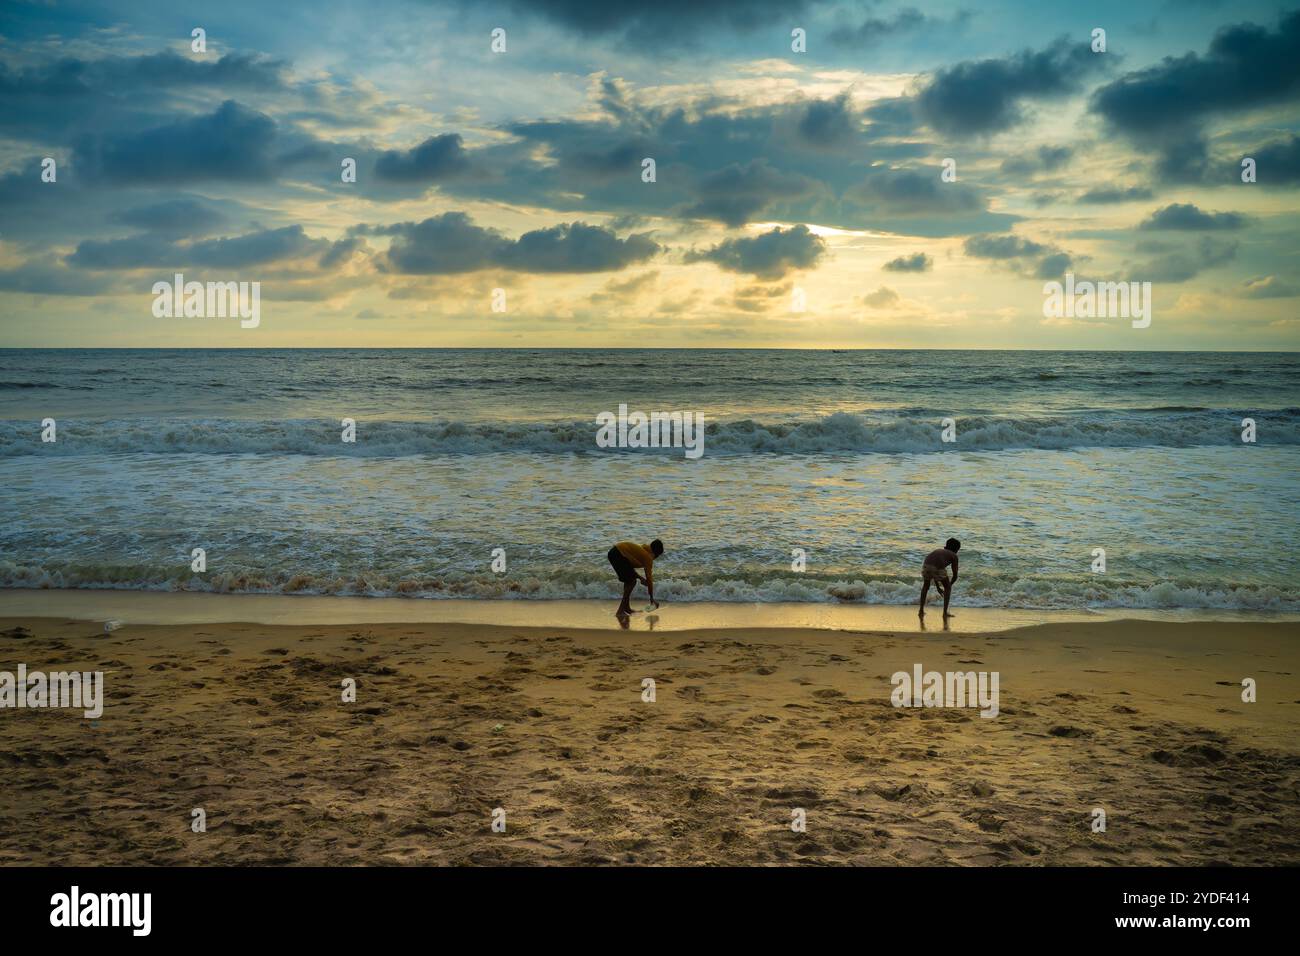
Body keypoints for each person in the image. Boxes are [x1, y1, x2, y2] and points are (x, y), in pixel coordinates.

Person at [608, 539, 662, 617]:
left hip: (614, 552)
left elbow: (629, 565)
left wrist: (640, 578)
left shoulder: (644, 549)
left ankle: (626, 608)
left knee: (629, 581)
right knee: (632, 582)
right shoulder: (648, 558)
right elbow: (649, 579)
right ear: (657, 554)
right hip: (618, 554)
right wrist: (651, 598)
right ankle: (620, 611)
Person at [919, 538, 960, 619]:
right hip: (937, 567)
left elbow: (933, 572)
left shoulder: (939, 551)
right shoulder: (954, 555)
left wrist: (938, 587)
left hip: (926, 566)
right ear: (956, 549)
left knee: (925, 587)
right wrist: (949, 585)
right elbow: (955, 575)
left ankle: (921, 610)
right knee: (947, 587)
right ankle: (945, 612)